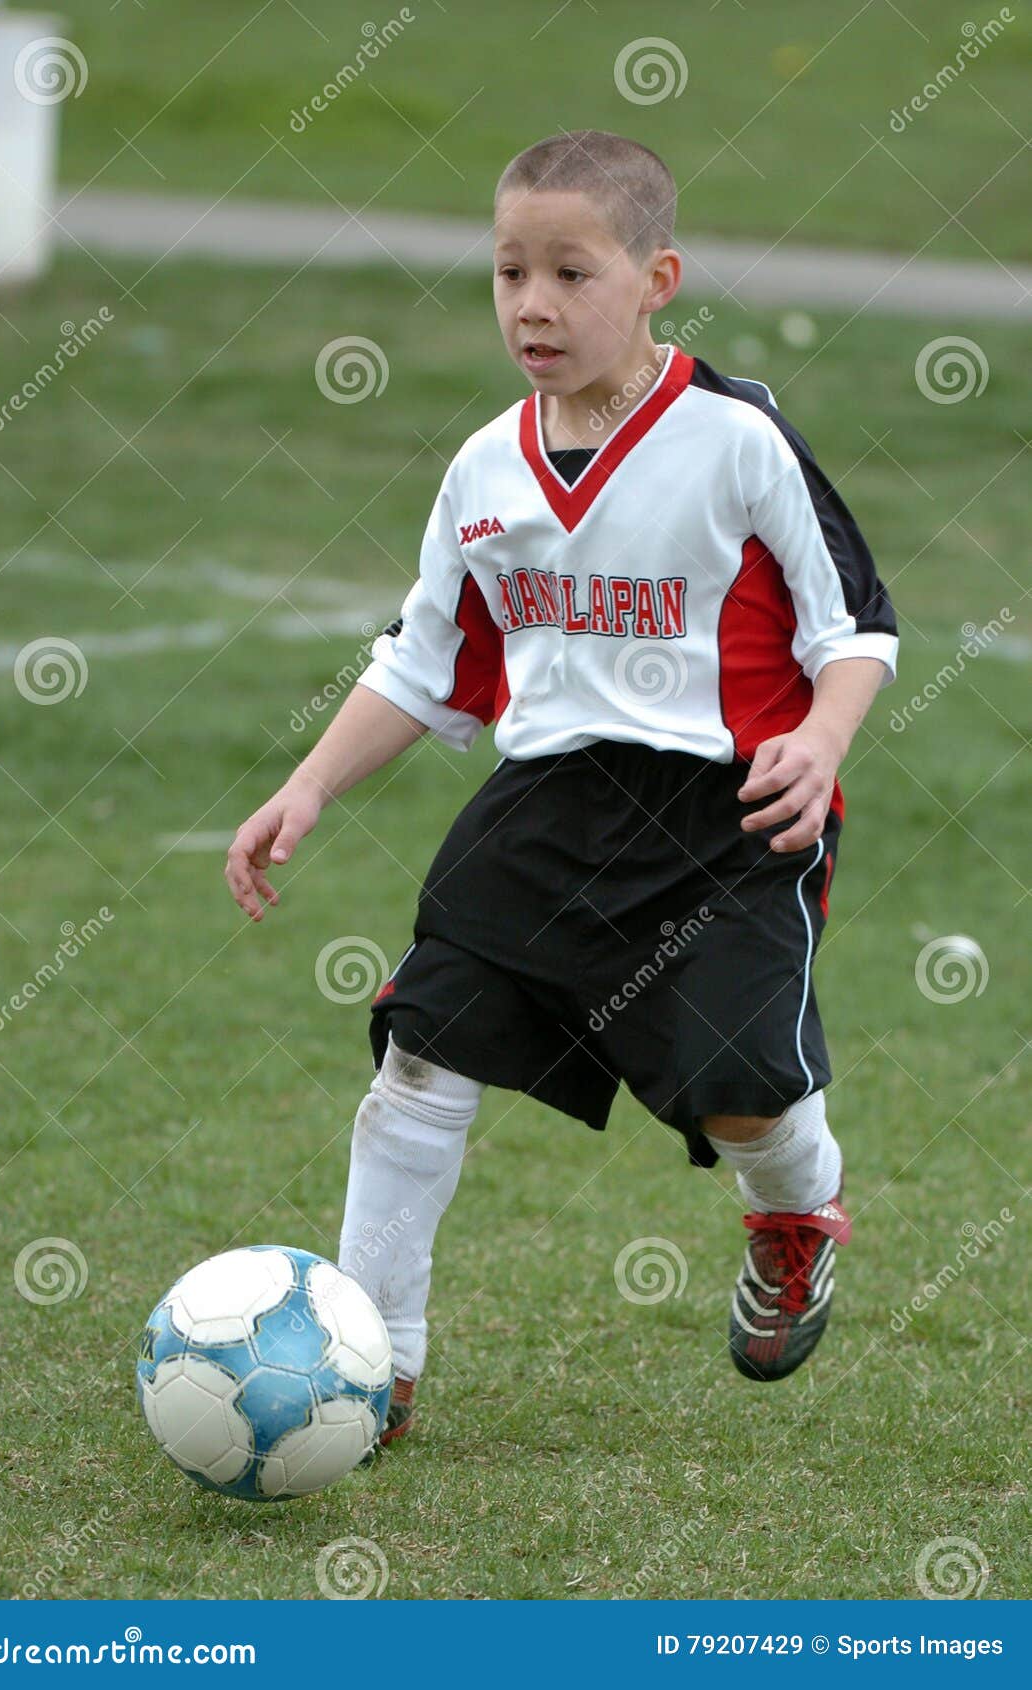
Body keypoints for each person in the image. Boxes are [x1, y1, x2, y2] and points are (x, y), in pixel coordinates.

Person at [225, 129, 898, 1450]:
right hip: (541, 811)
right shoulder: (484, 467)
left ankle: (797, 1214)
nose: (532, 303)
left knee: (744, 1090)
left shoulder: (735, 437)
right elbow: (428, 668)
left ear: (657, 276)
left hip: (729, 818)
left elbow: (856, 628)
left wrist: (819, 743)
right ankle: (376, 1359)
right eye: (508, 271)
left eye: (570, 273)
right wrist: (305, 787)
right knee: (420, 1050)